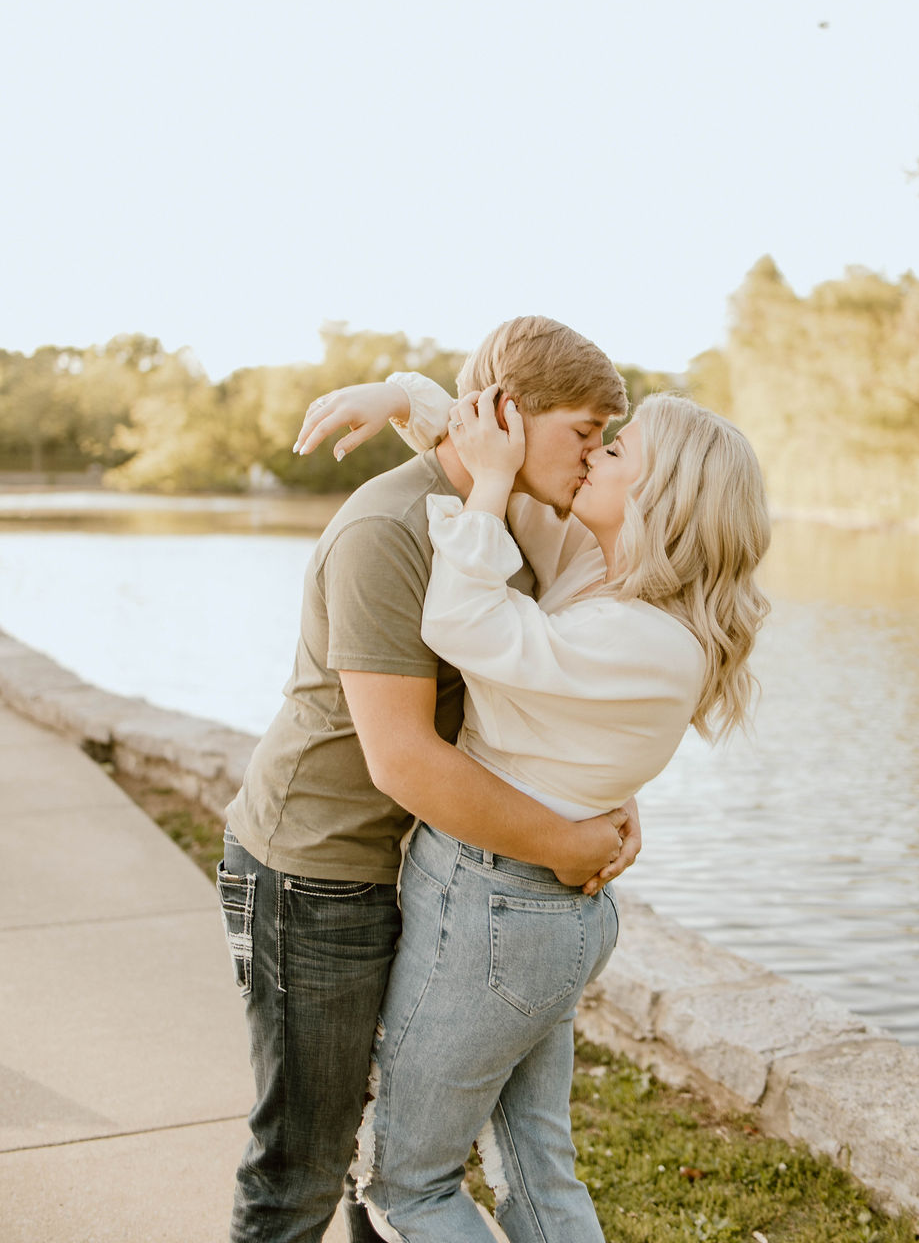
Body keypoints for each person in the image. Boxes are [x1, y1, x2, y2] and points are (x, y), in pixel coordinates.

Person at [300, 370, 771, 1243]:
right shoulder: (606, 576)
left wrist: (480, 487)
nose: (591, 454)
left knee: (409, 1185)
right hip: (531, 909)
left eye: (614, 447)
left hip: (496, 907)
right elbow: (506, 453)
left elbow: (463, 620)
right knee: (535, 1170)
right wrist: (407, 397)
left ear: (658, 493)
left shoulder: (642, 639)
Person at [218, 317, 642, 1243]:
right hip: (312, 872)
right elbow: (402, 759)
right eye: (584, 433)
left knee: (390, 1145)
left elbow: (533, 697)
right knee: (304, 1162)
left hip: (415, 861)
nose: (595, 456)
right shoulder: (385, 530)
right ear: (506, 417)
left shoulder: (508, 521)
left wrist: (611, 794)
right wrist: (567, 843)